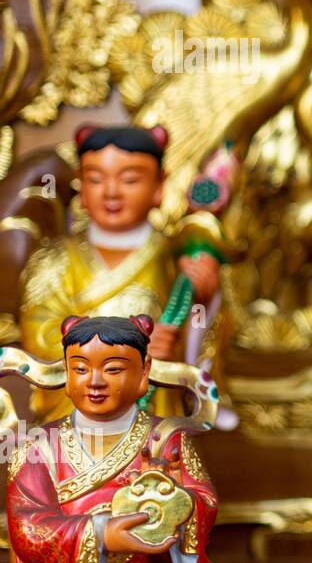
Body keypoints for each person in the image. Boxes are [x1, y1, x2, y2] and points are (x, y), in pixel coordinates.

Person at [6, 315, 221, 563]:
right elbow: (27, 527)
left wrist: (177, 500)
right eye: (80, 369)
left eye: (113, 369)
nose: (94, 381)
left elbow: (205, 501)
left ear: (144, 371)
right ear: (66, 372)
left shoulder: (167, 440)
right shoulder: (38, 446)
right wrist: (100, 534)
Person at [19, 125, 220, 421]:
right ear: (81, 188)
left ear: (159, 186)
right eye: (96, 179)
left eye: (129, 179)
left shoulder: (171, 258)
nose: (111, 192)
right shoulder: (55, 259)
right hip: (76, 415)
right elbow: (38, 334)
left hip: (153, 413)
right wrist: (121, 352)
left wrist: (204, 300)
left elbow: (197, 341)